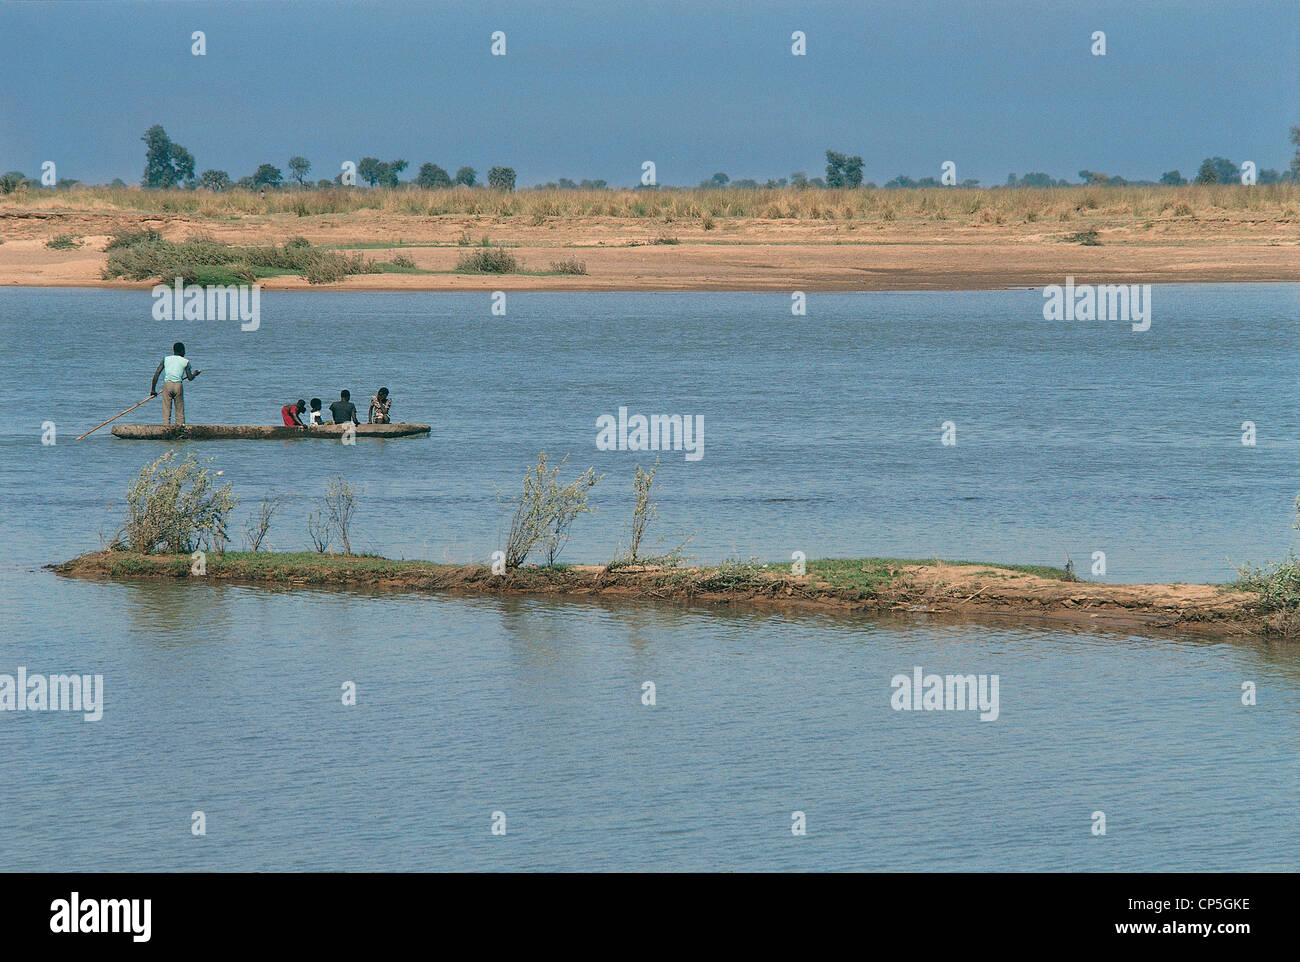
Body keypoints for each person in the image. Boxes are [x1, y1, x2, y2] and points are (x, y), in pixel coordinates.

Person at [150, 342, 200, 426]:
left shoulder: (166, 359)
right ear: (181, 351)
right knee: (179, 410)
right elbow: (190, 378)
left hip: (167, 385)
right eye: (184, 351)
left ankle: (166, 428)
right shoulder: (186, 361)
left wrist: (153, 389)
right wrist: (195, 374)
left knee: (166, 410)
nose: (185, 353)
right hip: (178, 386)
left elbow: (157, 373)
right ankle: (180, 428)